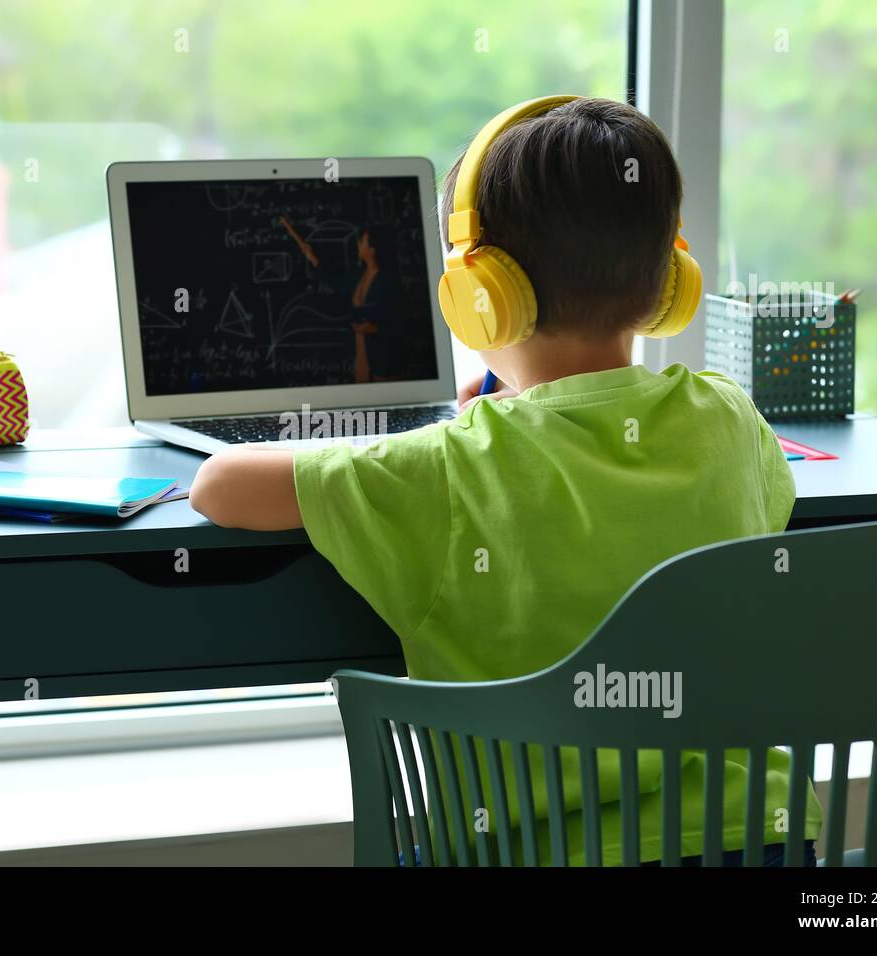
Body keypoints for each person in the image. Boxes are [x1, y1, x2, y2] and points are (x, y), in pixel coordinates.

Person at [191, 97, 822, 865]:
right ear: (669, 277)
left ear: (479, 293)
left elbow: (220, 487)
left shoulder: (448, 468)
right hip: (756, 842)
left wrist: (464, 433)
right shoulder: (730, 420)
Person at [280, 215, 406, 383]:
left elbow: (398, 319)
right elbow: (335, 282)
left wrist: (376, 328)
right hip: (362, 352)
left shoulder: (387, 280)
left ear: (372, 249)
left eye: (362, 242)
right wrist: (311, 257)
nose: (359, 245)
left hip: (384, 355)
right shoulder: (359, 275)